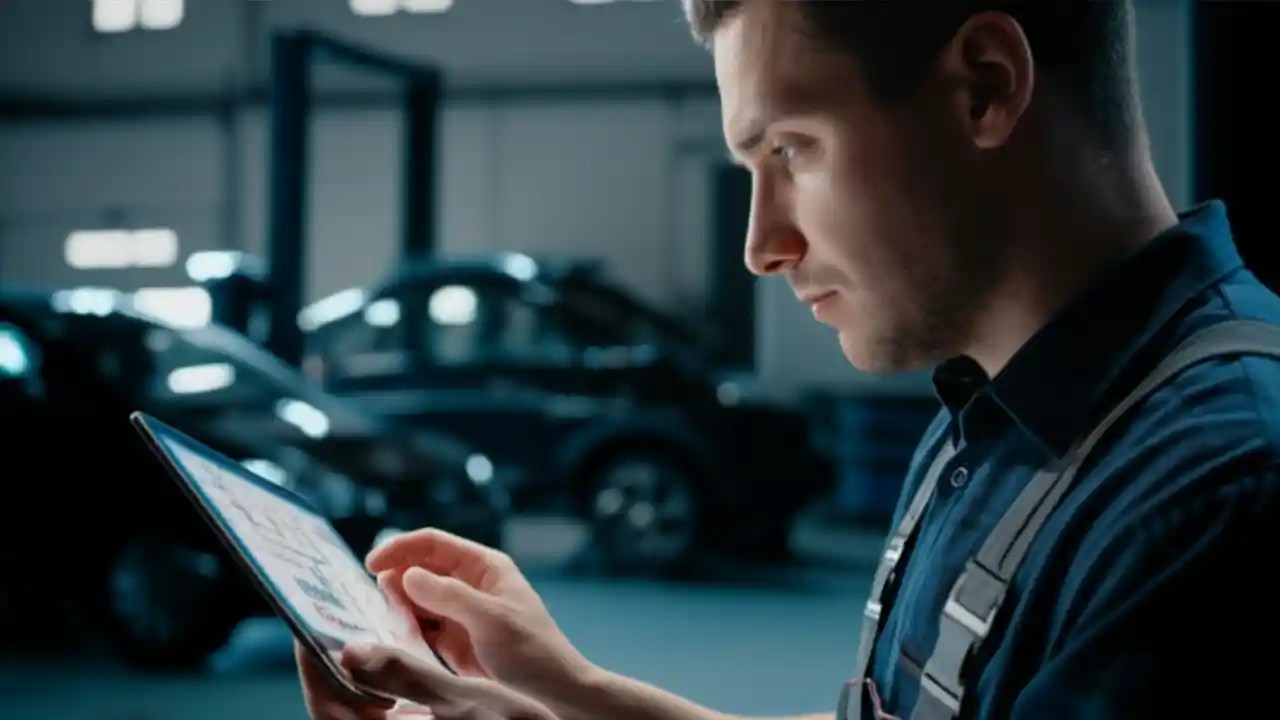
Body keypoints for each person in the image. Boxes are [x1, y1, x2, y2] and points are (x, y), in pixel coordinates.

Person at [298, 0, 1280, 718]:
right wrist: (566, 692)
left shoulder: (1214, 497)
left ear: (983, 85)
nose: (760, 245)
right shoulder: (987, 422)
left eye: (790, 153)